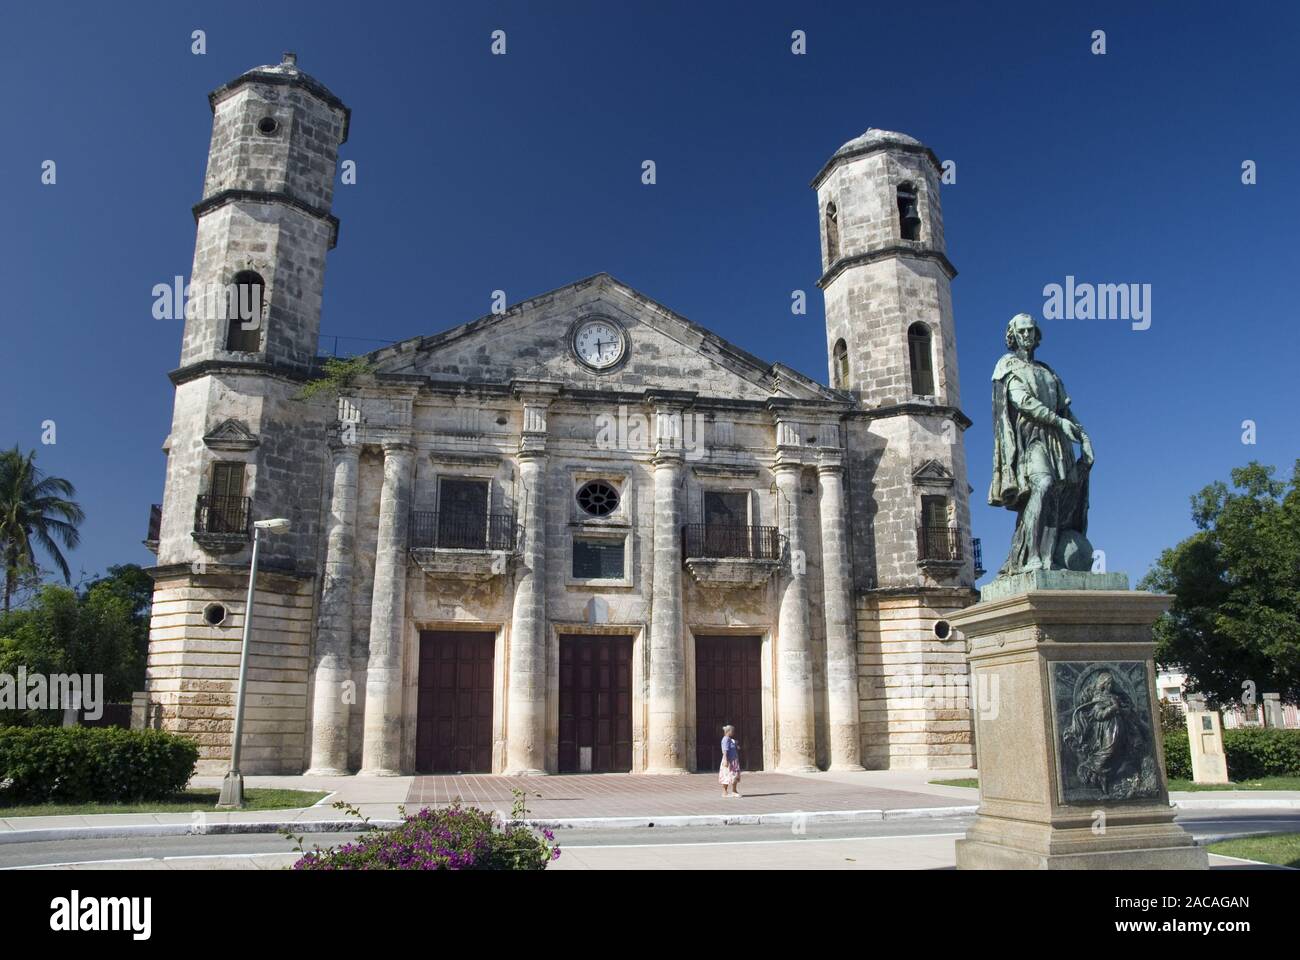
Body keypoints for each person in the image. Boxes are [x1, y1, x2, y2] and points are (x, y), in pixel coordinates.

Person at [719, 724, 741, 797]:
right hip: (729, 760)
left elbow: (735, 748)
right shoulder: (725, 739)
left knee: (734, 775)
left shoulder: (731, 740)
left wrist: (736, 745)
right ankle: (725, 792)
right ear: (728, 731)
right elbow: (725, 750)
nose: (733, 732)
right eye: (732, 731)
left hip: (734, 760)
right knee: (726, 775)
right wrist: (725, 759)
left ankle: (734, 791)